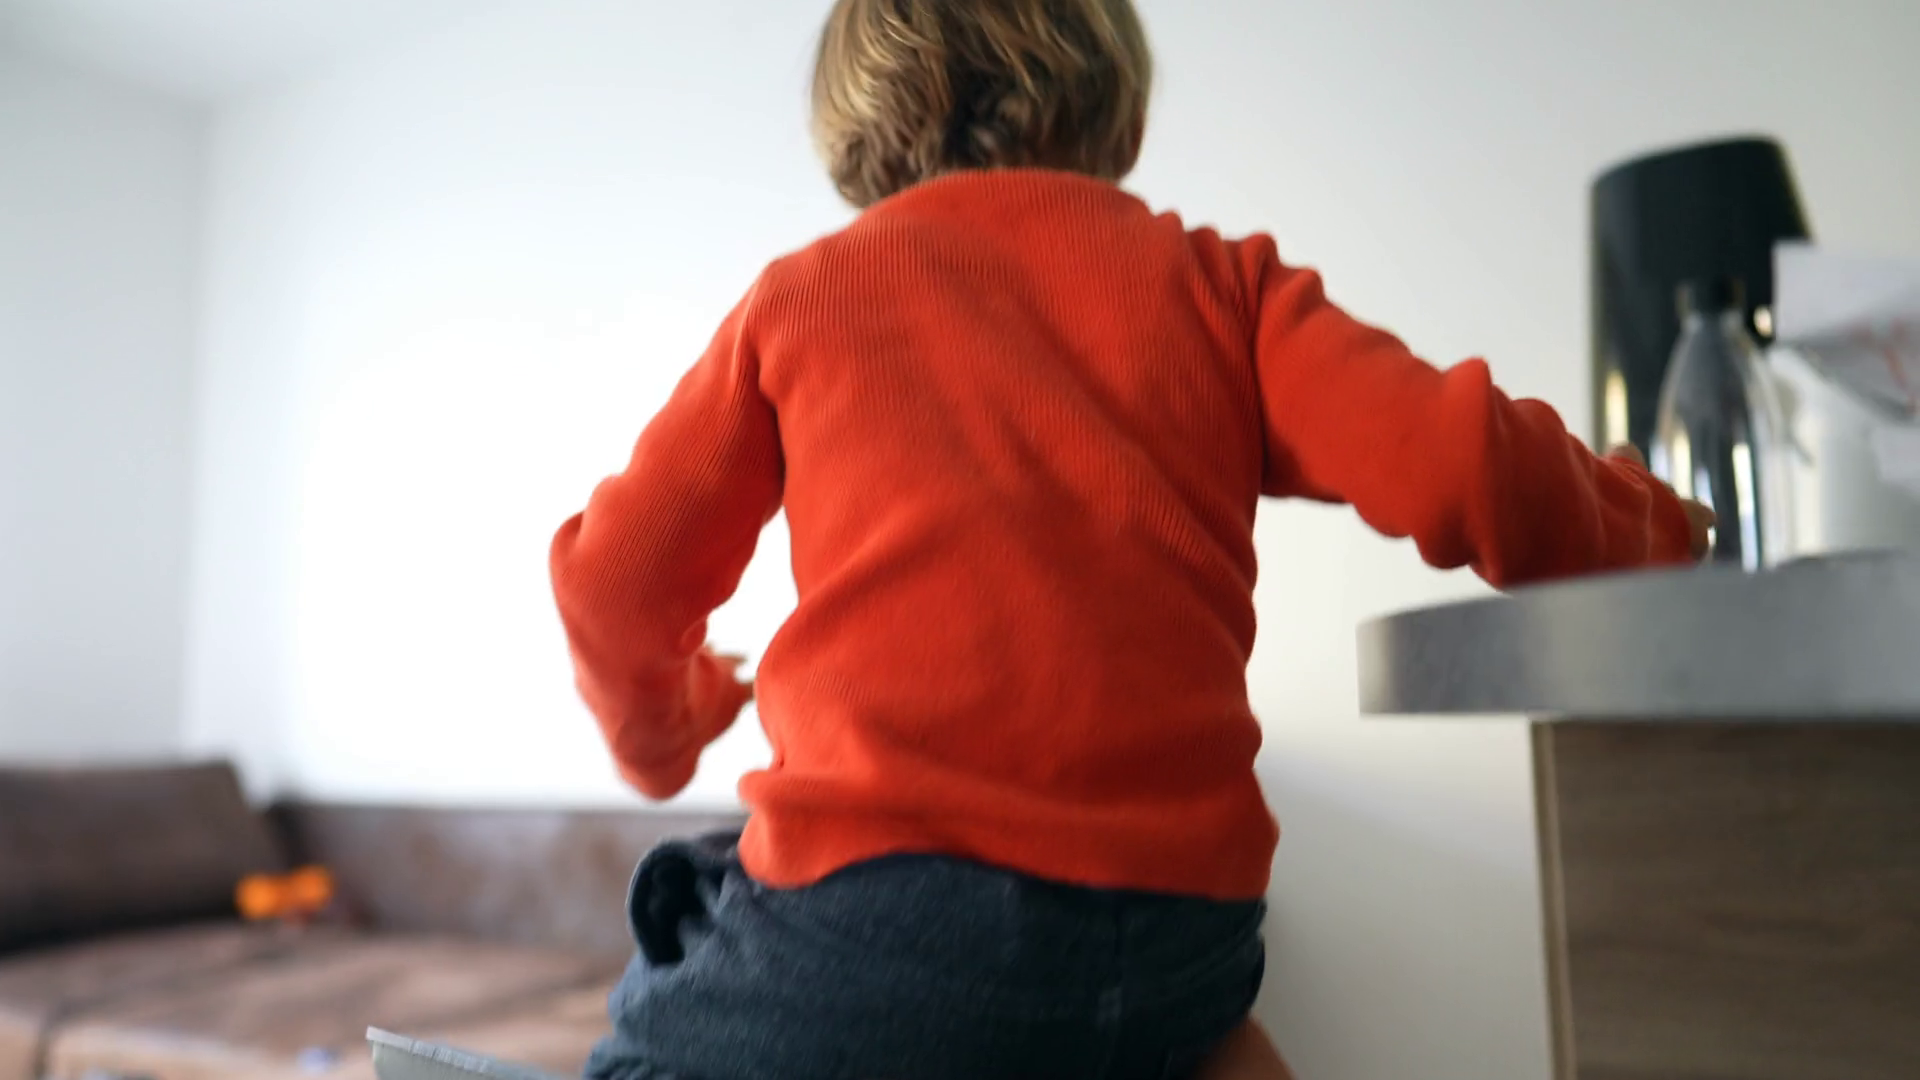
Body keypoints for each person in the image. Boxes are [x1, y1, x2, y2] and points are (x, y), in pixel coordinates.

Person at [548, 1, 1712, 1077]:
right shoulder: (1219, 289)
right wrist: (1648, 525)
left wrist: (670, 726)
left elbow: (616, 580)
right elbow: (1461, 462)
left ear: (853, 124)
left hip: (892, 925)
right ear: (1120, 100)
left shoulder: (803, 303)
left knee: (676, 929)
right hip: (1178, 945)